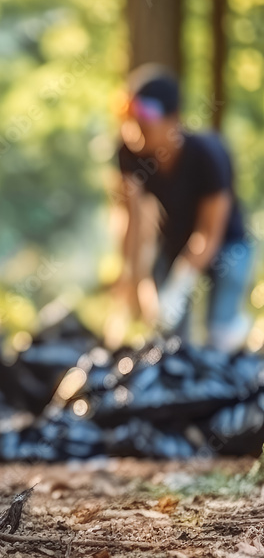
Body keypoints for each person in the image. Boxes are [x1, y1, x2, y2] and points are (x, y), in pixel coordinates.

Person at [112, 66, 254, 353]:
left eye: (146, 123)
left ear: (173, 120)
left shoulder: (208, 155)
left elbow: (209, 233)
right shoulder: (128, 154)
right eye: (132, 121)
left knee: (219, 336)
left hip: (227, 246)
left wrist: (178, 286)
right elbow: (135, 222)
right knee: (169, 338)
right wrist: (133, 279)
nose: (137, 132)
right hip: (174, 242)